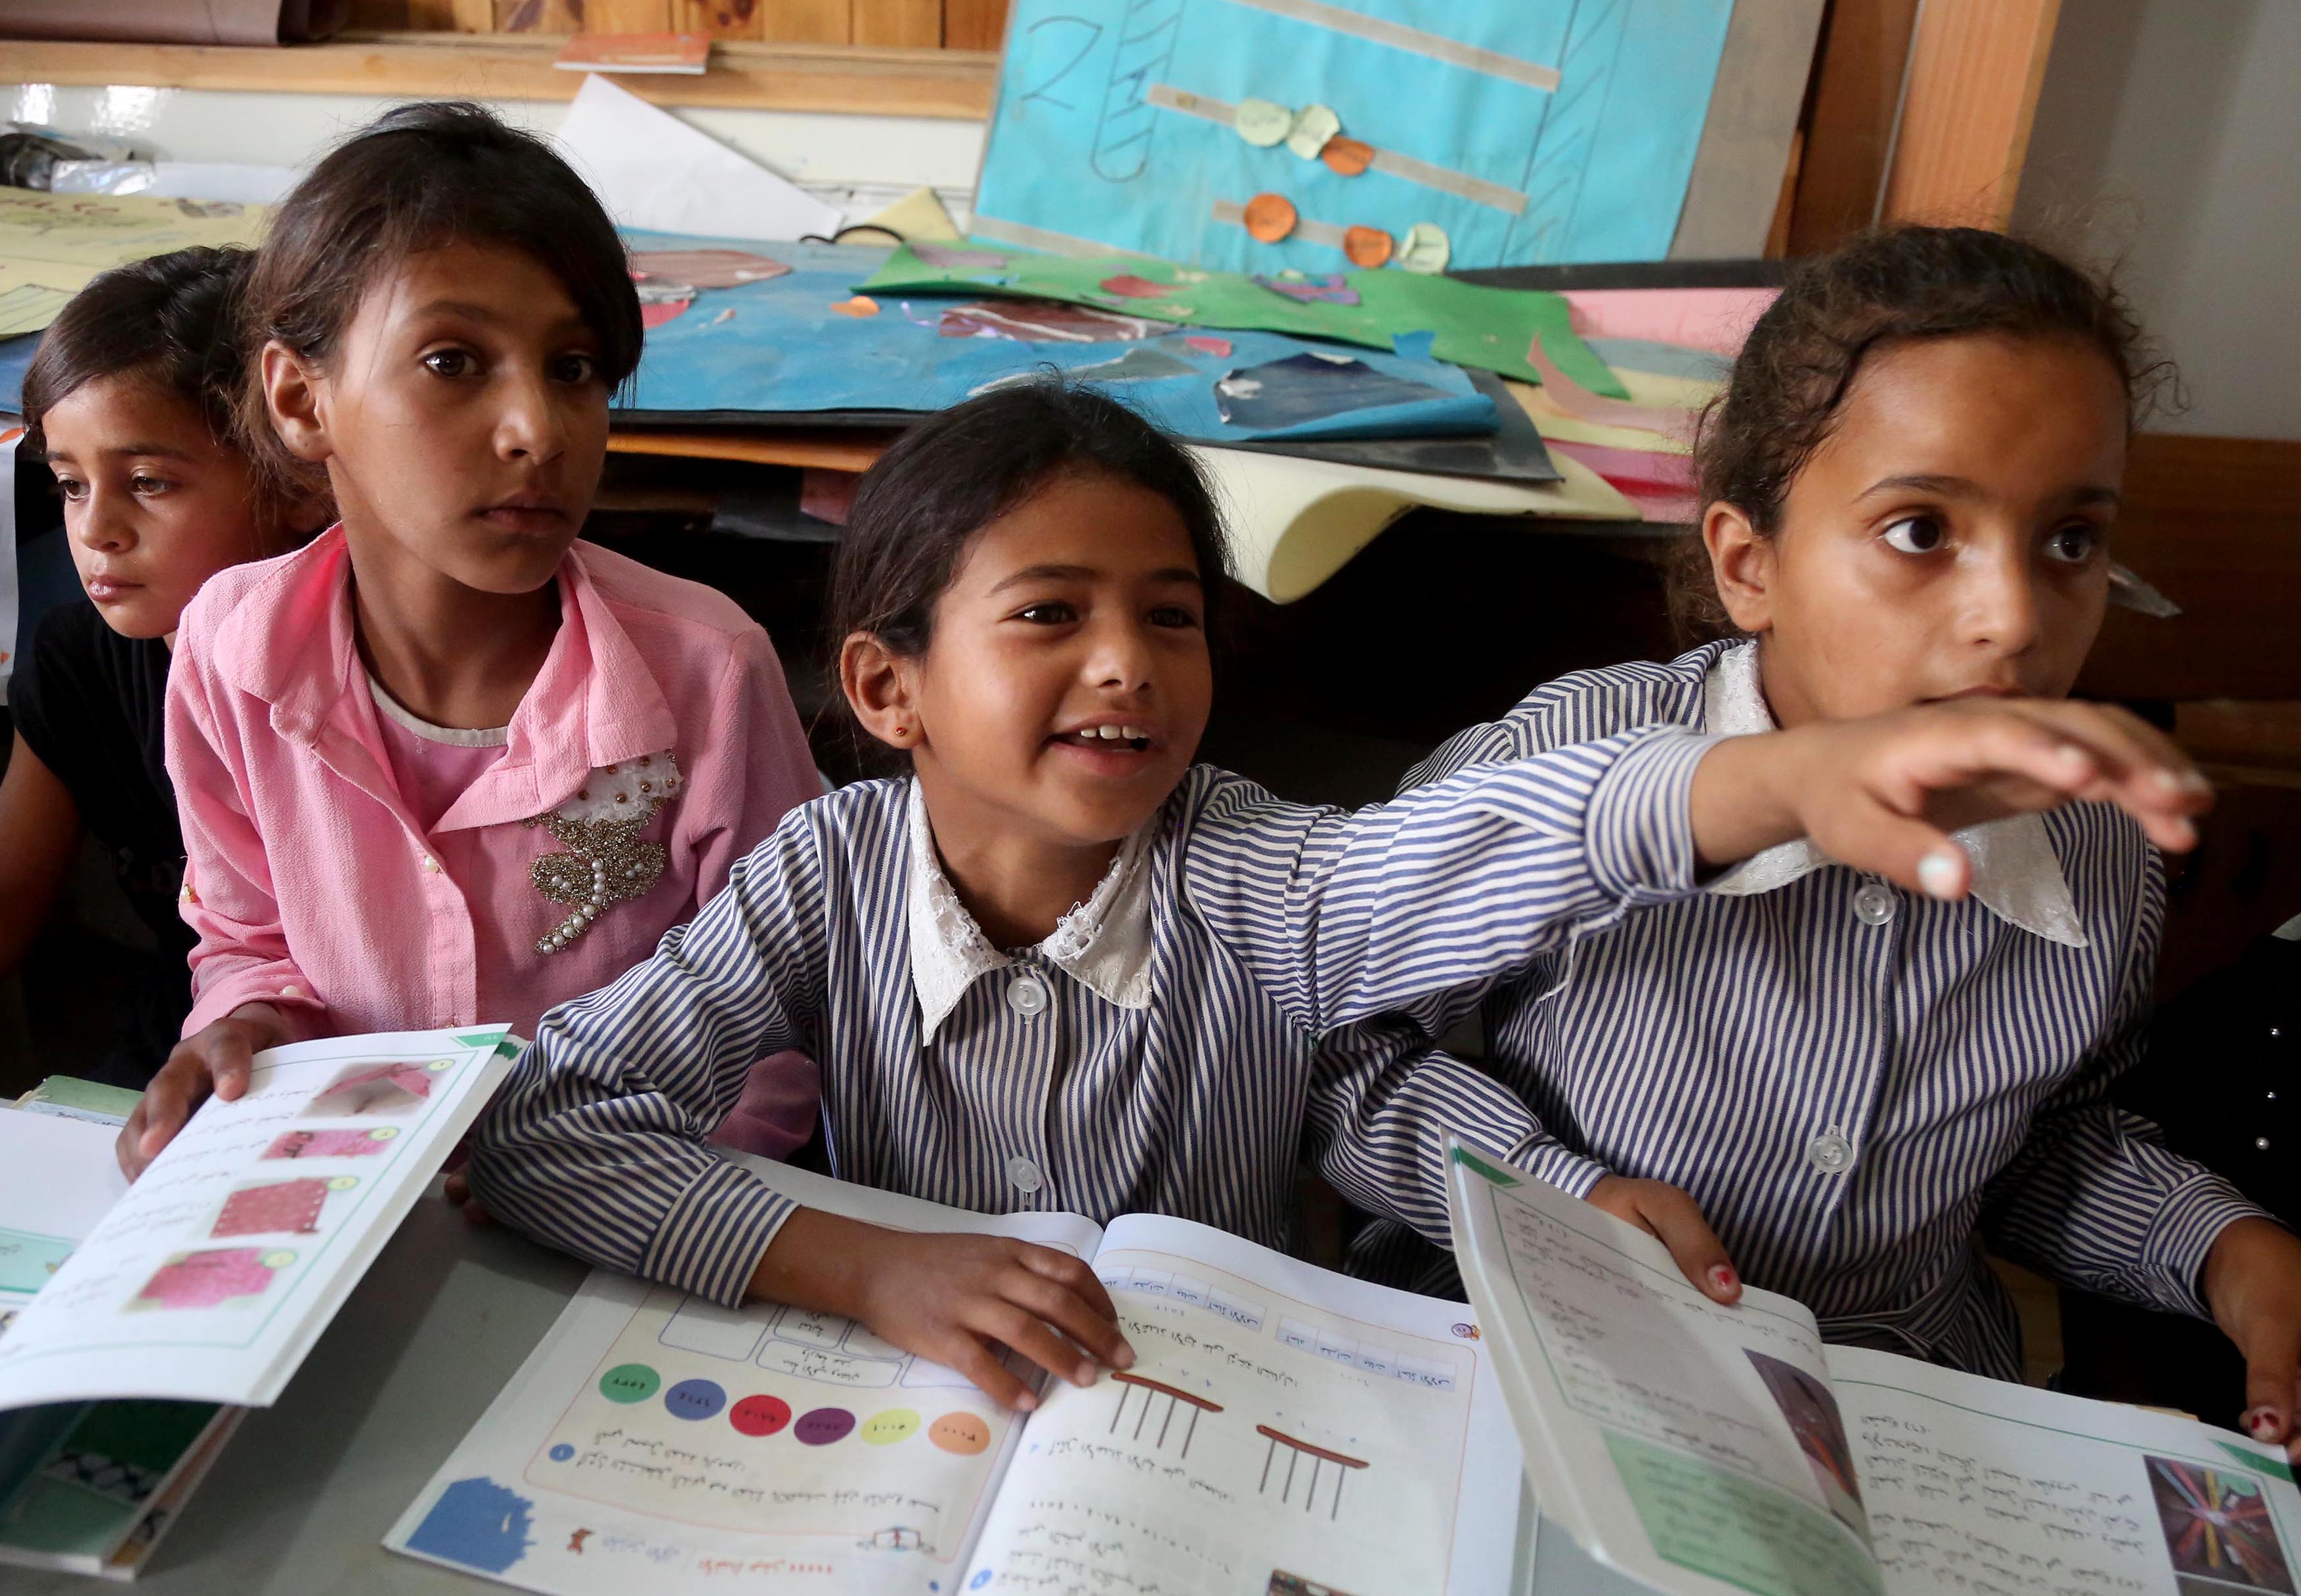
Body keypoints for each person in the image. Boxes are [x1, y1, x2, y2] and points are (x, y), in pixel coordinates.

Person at [468, 376, 2206, 1410]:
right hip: (897, 1408)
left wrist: (1754, 792)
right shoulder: (822, 877)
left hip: (1206, 1425)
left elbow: (1451, 878)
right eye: (1048, 612)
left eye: (1170, 613)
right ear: (886, 686)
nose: (1126, 664)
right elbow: (544, 1122)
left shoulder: (1250, 867)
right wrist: (860, 1266)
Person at [1369, 225, 2301, 1456]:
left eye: (2070, 539)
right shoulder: (1579, 761)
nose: (2013, 620)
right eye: (1921, 530)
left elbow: (2040, 1141)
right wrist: (1553, 1187)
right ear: (1750, 566)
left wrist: (2226, 1247)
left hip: (1887, 1395)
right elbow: (1345, 1040)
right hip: (1540, 1350)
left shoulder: (2098, 846)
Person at [118, 103, 823, 1175]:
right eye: (453, 361)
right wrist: (247, 1030)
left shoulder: (707, 673)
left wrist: (665, 1214)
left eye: (575, 367)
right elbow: (251, 939)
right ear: (303, 398)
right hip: (356, 1199)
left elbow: (786, 1022)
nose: (536, 429)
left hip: (645, 1224)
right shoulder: (230, 652)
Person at [0, 248, 312, 1085]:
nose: (96, 529)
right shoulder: (83, 659)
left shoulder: (381, 664)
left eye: (148, 482)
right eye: (72, 485)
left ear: (297, 479)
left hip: (370, 1059)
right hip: (196, 1047)